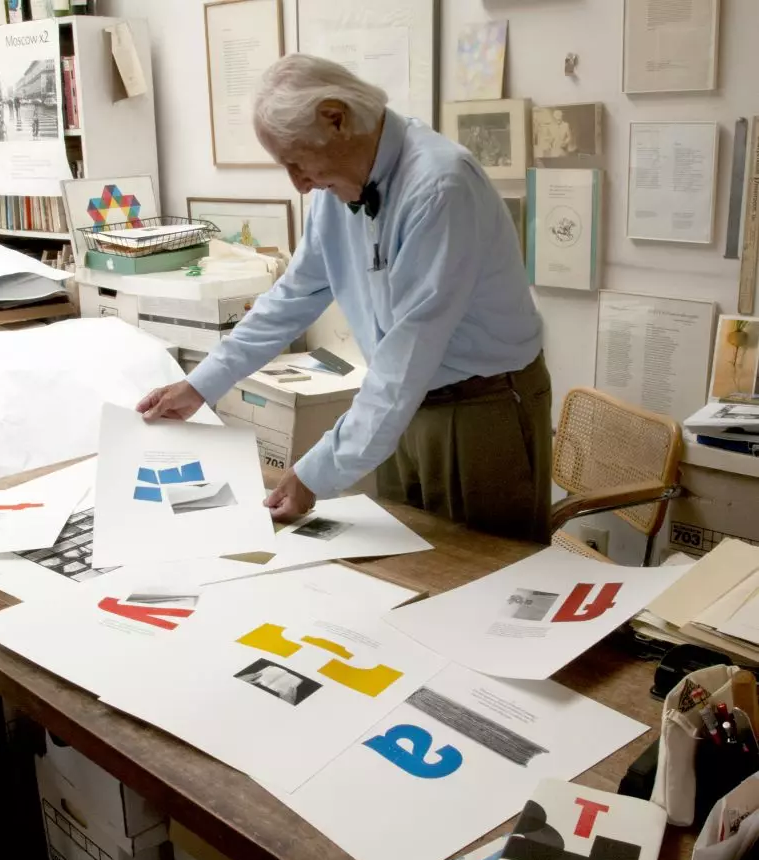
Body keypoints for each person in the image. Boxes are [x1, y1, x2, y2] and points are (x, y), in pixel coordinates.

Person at [137, 54, 552, 543]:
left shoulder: (441, 186)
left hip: (482, 408)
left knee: (484, 580)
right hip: (404, 406)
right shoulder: (333, 197)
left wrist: (316, 471)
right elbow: (289, 299)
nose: (298, 184)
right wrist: (201, 385)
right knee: (409, 569)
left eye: (297, 162)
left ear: (336, 119)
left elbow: (407, 357)